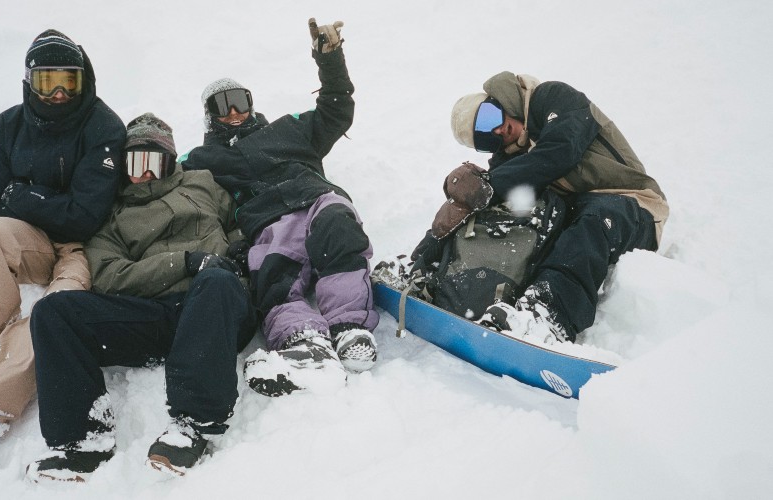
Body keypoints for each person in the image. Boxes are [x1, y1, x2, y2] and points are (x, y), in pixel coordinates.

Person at [24, 113, 256, 482]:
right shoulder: (111, 213)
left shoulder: (203, 184)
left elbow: (243, 220)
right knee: (55, 312)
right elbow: (110, 277)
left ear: (171, 161)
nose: (145, 173)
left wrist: (241, 246)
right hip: (155, 315)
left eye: (155, 162)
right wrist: (182, 262)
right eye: (136, 162)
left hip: (217, 306)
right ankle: (82, 444)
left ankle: (194, 423)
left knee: (215, 281)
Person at [0, 29, 125, 467]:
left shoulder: (103, 127)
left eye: (69, 82)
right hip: (33, 237)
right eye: (47, 82)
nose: (59, 93)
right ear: (29, 81)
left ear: (84, 80)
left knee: (54, 310)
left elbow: (85, 217)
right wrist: (32, 204)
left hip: (85, 247)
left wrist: (22, 195)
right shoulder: (6, 127)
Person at [181, 18, 379, 397]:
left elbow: (335, 110)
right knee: (273, 275)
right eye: (222, 106)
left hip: (317, 198)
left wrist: (330, 59)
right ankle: (304, 340)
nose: (234, 112)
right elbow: (162, 181)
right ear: (210, 116)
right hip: (270, 222)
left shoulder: (289, 129)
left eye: (241, 101)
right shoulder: (201, 159)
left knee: (339, 226)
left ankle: (349, 328)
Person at [412, 71, 669, 343]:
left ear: (501, 101)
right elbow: (480, 204)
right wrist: (427, 250)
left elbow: (561, 150)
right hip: (573, 212)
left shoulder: (552, 97)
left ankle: (547, 315)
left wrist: (491, 184)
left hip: (633, 206)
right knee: (501, 219)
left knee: (591, 221)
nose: (497, 131)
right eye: (486, 137)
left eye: (489, 118)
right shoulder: (509, 158)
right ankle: (429, 275)